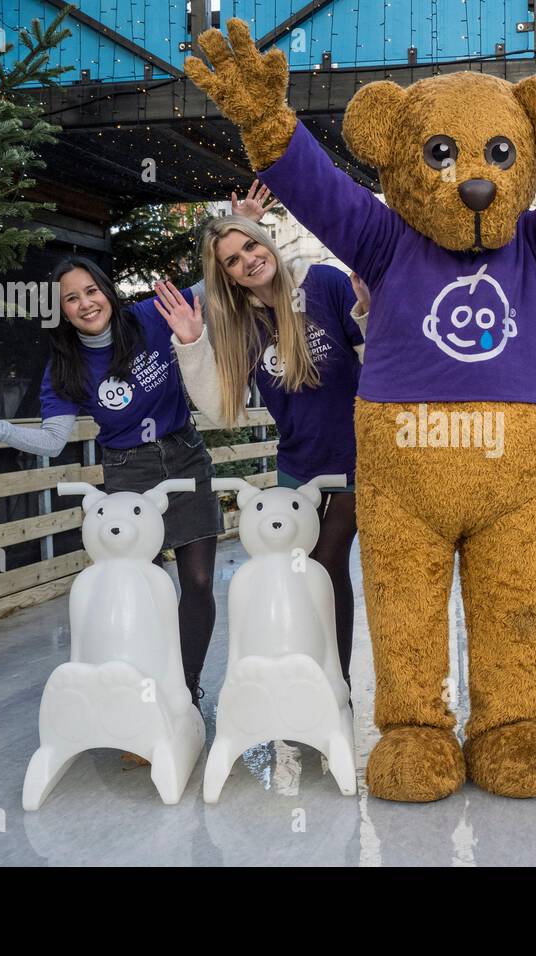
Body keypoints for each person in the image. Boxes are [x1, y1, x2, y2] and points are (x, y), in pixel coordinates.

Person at [0, 258, 223, 705]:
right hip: (128, 474)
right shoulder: (65, 366)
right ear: (62, 310)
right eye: (72, 298)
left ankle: (186, 689)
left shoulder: (148, 317)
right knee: (143, 589)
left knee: (198, 582)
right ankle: (147, 688)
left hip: (185, 457)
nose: (85, 303)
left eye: (91, 291)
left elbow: (212, 283)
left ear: (107, 290)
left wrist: (243, 226)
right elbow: (51, 441)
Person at [155, 212, 367, 687]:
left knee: (327, 561)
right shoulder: (238, 322)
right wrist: (192, 344)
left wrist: (369, 310)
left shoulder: (325, 283)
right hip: (297, 466)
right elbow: (223, 412)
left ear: (264, 241)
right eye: (233, 260)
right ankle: (305, 674)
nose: (248, 261)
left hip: (358, 458)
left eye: (251, 247)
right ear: (225, 274)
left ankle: (339, 684)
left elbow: (376, 360)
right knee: (297, 573)